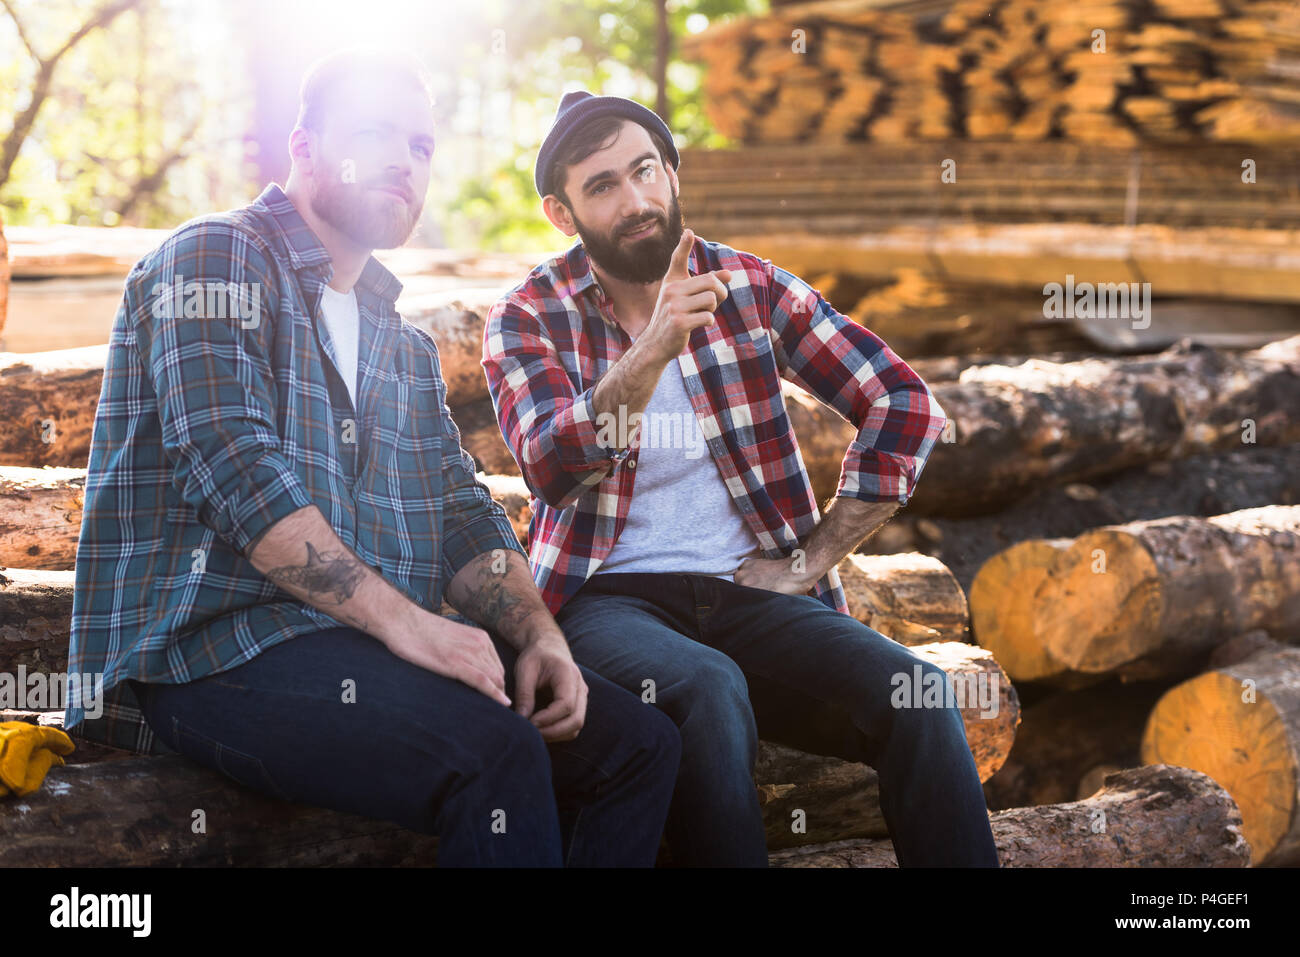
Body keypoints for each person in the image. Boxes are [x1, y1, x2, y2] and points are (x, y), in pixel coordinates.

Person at [64, 53, 680, 867]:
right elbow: (234, 467)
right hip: (201, 656)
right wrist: (413, 627)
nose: (403, 160)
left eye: (421, 147)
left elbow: (460, 515)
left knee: (639, 745)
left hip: (350, 650)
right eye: (374, 132)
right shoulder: (215, 260)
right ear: (305, 147)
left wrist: (537, 637)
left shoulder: (400, 342)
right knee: (494, 750)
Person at [482, 91, 1000, 867]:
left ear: (671, 169)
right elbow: (552, 466)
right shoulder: (528, 315)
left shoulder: (749, 286)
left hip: (750, 590)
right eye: (603, 187)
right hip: (605, 603)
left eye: (645, 170)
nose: (636, 201)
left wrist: (812, 557)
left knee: (919, 696)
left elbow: (904, 403)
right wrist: (652, 347)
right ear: (563, 213)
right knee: (708, 687)